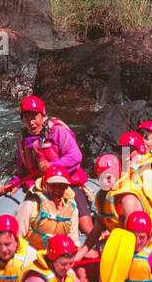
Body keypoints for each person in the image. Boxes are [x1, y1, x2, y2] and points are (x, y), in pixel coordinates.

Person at [14, 96, 94, 234]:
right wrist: (14, 183)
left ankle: (95, 239)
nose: (31, 123)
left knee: (86, 226)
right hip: (42, 185)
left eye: (35, 117)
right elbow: (22, 170)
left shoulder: (57, 131)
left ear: (43, 116)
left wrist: (52, 165)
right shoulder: (23, 139)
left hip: (67, 183)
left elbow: (76, 156)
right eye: (27, 118)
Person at [16, 165, 80, 252]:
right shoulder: (30, 204)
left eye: (61, 186)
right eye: (53, 185)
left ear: (66, 187)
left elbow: (73, 241)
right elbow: (17, 237)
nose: (57, 190)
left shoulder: (72, 210)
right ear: (45, 185)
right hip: (31, 256)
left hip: (59, 258)